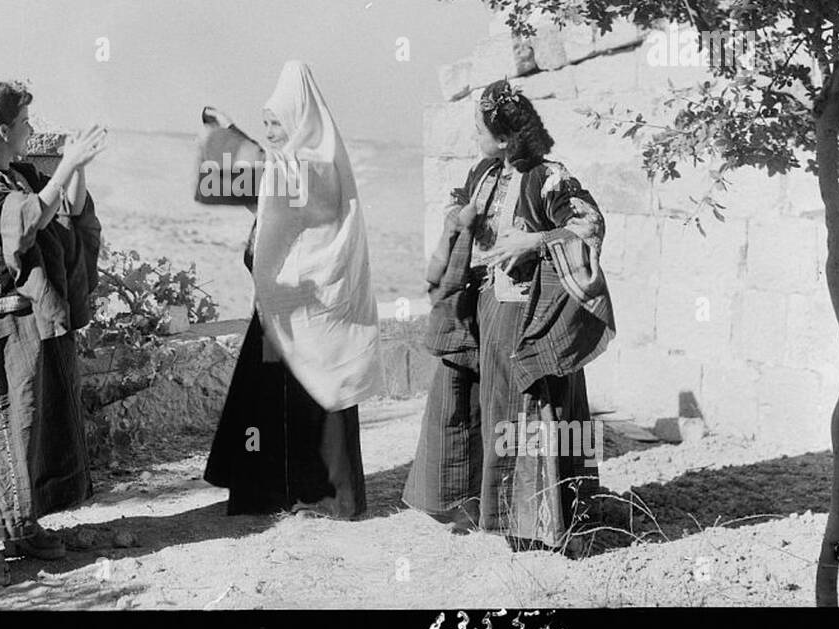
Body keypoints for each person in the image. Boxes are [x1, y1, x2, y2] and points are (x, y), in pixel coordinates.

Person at [402, 79, 615, 554]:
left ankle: (534, 521)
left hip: (525, 311)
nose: (475, 139)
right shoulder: (485, 171)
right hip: (479, 303)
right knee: (469, 399)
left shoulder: (549, 178)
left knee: (522, 410)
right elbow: (458, 203)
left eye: (479, 130)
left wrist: (531, 242)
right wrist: (461, 214)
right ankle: (476, 505)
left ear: (504, 138)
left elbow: (588, 224)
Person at [198, 61, 384, 519]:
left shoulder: (318, 165)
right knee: (266, 397)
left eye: (277, 123)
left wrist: (233, 134)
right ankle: (267, 491)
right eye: (267, 123)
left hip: (315, 312)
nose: (272, 131)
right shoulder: (296, 164)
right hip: (282, 308)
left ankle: (326, 495)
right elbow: (266, 186)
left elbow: (278, 177)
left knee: (317, 401)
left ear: (301, 120)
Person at [0, 80, 108, 587]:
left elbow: (61, 213)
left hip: (33, 323)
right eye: (24, 124)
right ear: (1, 130)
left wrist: (75, 167)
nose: (31, 132)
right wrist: (63, 169)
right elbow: (27, 219)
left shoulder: (15, 175)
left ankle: (19, 525)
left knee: (32, 429)